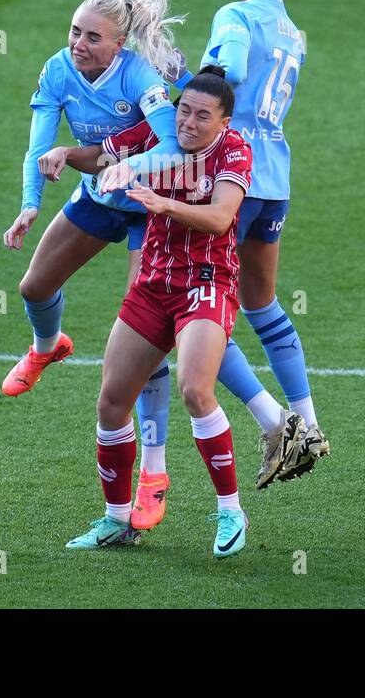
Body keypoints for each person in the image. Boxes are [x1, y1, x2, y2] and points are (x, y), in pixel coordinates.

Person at [102, 0, 344, 486]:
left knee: (202, 310)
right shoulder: (293, 33)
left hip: (228, 176)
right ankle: (307, 422)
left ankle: (271, 422)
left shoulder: (235, 18)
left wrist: (183, 75)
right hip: (275, 176)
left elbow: (227, 82)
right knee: (263, 303)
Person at [63, 69, 256, 557]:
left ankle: (231, 509)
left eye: (201, 116)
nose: (188, 123)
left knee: (195, 388)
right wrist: (66, 156)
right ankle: (117, 520)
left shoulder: (235, 150)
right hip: (154, 282)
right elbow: (108, 152)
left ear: (224, 121)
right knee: (111, 402)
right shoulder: (160, 132)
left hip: (207, 281)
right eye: (183, 110)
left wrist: (160, 202)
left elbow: (219, 218)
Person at [0, 0, 185, 397]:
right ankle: (46, 348)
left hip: (149, 206)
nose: (78, 44)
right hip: (99, 194)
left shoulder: (139, 75)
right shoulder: (57, 70)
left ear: (119, 44)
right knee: (34, 287)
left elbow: (175, 146)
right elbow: (39, 148)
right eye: (75, 31)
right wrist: (30, 205)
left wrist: (128, 168)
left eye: (92, 37)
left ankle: (153, 459)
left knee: (142, 328)